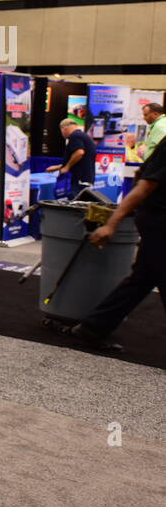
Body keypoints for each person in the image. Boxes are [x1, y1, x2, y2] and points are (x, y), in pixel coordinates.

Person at [70, 140, 166, 351]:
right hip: (159, 220)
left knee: (142, 279)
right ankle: (91, 329)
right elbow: (145, 183)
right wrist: (112, 224)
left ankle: (92, 329)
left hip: (155, 217)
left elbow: (142, 171)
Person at [58, 117, 96, 192]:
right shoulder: (84, 136)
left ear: (64, 128)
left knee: (74, 201)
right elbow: (83, 159)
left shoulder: (74, 136)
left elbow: (79, 152)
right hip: (87, 178)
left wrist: (67, 167)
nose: (62, 134)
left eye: (61, 130)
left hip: (80, 180)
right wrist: (59, 167)